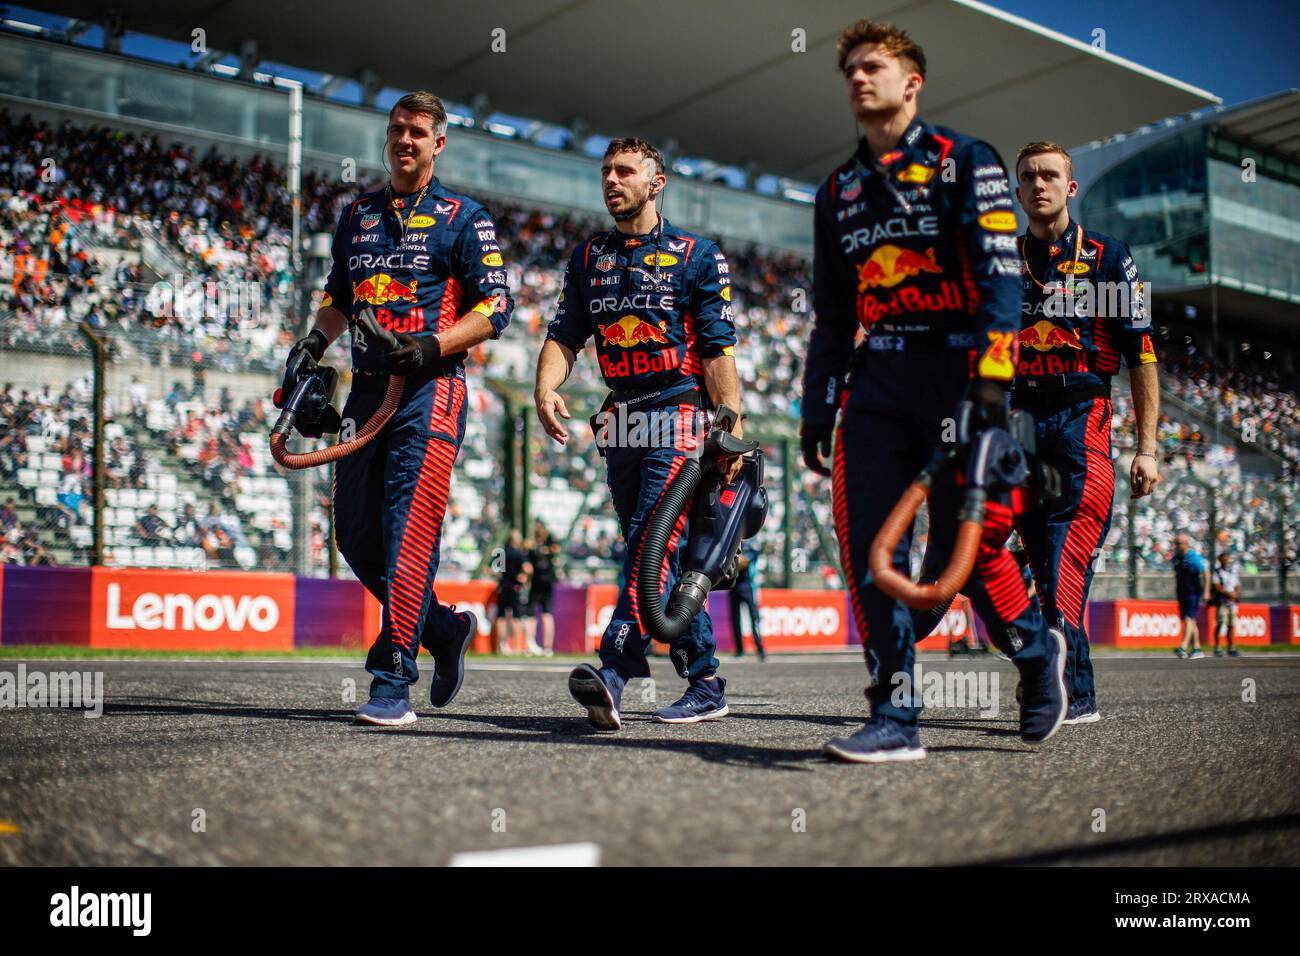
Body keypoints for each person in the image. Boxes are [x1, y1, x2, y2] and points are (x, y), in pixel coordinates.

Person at [800, 19, 1067, 763]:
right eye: (849, 67)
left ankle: (1035, 655)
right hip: (876, 385)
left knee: (969, 558)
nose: (858, 77)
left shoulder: (965, 161)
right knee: (868, 551)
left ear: (910, 83)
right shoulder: (837, 190)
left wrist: (988, 390)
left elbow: (1001, 285)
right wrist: (816, 403)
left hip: (960, 380)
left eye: (874, 66)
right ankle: (895, 716)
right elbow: (831, 313)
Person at [292, 90, 514, 726]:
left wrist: (431, 345)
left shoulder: (463, 216)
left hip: (430, 389)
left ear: (438, 143)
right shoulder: (356, 213)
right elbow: (338, 293)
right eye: (396, 130)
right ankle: (442, 629)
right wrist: (311, 343)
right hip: (364, 390)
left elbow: (494, 307)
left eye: (418, 132)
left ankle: (393, 677)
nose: (405, 141)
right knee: (355, 536)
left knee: (407, 532)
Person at [536, 137, 743, 731]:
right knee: (653, 547)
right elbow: (565, 336)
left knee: (650, 540)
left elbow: (716, 346)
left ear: (657, 184)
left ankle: (615, 670)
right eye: (606, 171)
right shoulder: (587, 257)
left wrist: (730, 420)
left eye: (625, 171)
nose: (612, 179)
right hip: (620, 416)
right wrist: (546, 387)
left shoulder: (696, 253)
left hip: (679, 411)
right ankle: (705, 683)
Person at [1010, 141, 1161, 725]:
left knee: (1065, 553)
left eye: (1050, 175)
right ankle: (1064, 688)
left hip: (1083, 418)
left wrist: (1147, 450)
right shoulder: (1002, 260)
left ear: (1071, 187)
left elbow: (1142, 354)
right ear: (1019, 191)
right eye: (1028, 177)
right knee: (1028, 555)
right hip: (1019, 422)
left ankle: (1063, 682)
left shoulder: (1112, 256)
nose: (1039, 184)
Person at [492, 529, 531, 655]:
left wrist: (501, 578)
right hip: (515, 586)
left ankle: (500, 646)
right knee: (516, 617)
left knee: (501, 617)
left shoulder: (501, 552)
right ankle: (516, 647)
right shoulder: (519, 553)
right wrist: (524, 577)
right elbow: (528, 568)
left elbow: (491, 569)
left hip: (503, 586)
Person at [1172, 534, 1210, 659]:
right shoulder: (1176, 558)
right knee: (1190, 620)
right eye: (1175, 543)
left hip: (1193, 593)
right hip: (1181, 592)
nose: (1177, 546)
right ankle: (1197, 648)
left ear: (1186, 544)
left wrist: (1206, 591)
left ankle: (1183, 646)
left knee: (1189, 618)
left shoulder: (1194, 558)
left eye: (1179, 544)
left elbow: (1205, 573)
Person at [526, 522, 560, 656]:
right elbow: (556, 550)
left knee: (531, 615)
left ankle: (530, 644)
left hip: (536, 582)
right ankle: (548, 648)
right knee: (547, 615)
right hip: (548, 581)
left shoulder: (532, 549)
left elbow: (528, 568)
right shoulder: (550, 549)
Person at [730, 542, 765, 660]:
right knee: (735, 620)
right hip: (733, 588)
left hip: (748, 588)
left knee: (754, 618)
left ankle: (760, 649)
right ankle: (740, 650)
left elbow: (743, 563)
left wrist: (733, 562)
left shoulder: (750, 547)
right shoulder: (731, 544)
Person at [1210, 551, 1241, 657]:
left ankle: (1231, 647)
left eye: (1227, 558)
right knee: (1220, 623)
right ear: (1220, 560)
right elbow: (1217, 586)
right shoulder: (1217, 572)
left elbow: (1237, 585)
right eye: (1224, 559)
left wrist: (1235, 594)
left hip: (1232, 603)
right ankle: (1218, 647)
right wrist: (1229, 594)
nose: (1226, 561)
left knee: (1231, 625)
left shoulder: (1233, 572)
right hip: (1222, 602)